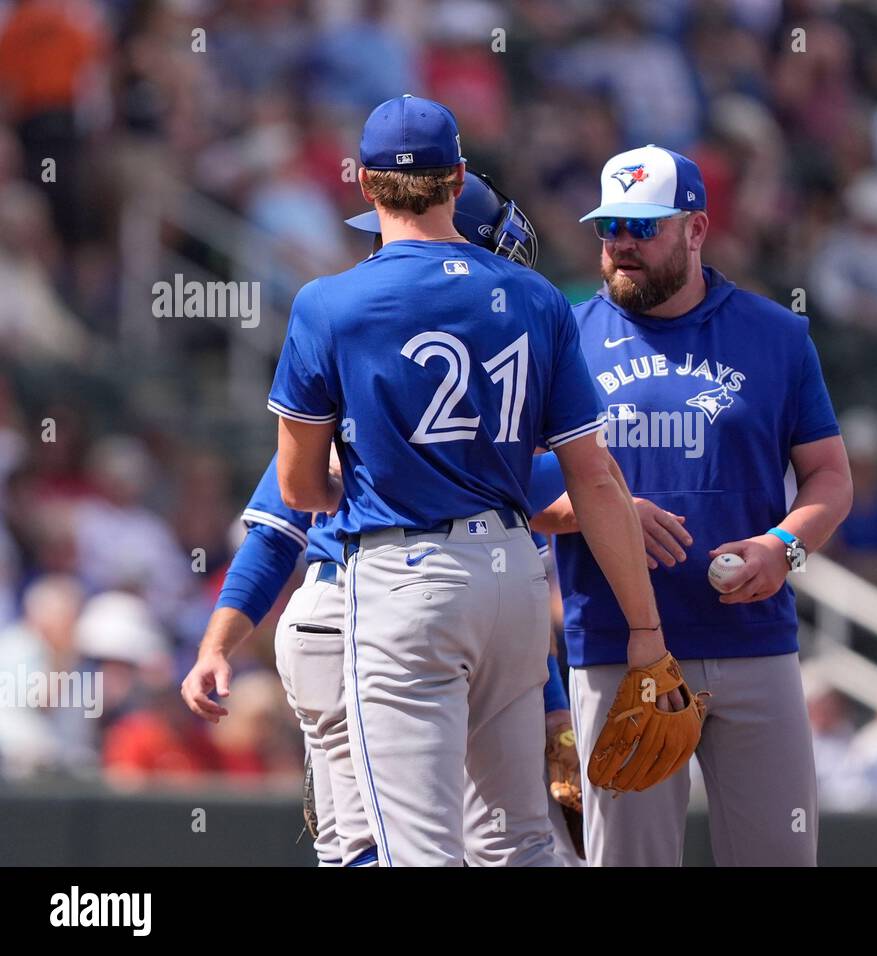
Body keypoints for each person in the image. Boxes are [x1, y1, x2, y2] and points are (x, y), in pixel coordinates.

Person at [266, 95, 666, 867]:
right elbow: (596, 479)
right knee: (519, 840)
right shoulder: (536, 297)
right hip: (513, 576)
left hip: (402, 580)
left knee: (416, 850)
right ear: (457, 178)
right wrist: (646, 632)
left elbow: (298, 489)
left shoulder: (329, 304)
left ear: (366, 185)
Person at [181, 171, 581, 866]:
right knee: (427, 843)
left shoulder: (375, 357)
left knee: (376, 845)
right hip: (351, 610)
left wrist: (549, 700)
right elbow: (278, 533)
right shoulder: (385, 360)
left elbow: (526, 529)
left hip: (384, 615)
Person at [533, 144, 852, 865]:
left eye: (643, 227)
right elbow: (512, 489)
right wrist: (599, 509)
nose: (621, 243)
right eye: (609, 225)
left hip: (754, 643)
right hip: (618, 651)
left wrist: (784, 546)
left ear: (696, 229)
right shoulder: (565, 338)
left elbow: (830, 477)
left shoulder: (777, 335)